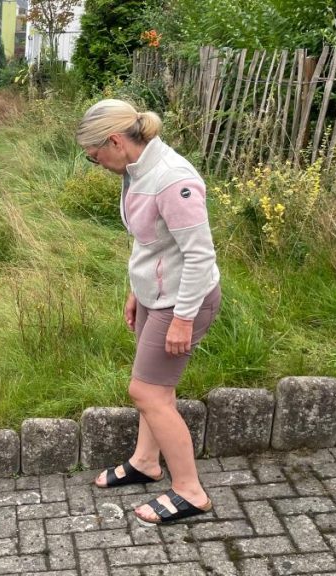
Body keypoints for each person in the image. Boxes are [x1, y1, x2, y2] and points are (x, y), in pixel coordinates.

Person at [77, 99, 222, 525]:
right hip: (156, 297)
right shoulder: (138, 170)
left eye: (94, 156)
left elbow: (199, 256)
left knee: (147, 393)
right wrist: (135, 290)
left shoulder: (171, 179)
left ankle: (190, 491)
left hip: (181, 302)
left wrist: (182, 317)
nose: (95, 163)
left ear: (116, 141)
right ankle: (145, 462)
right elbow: (152, 242)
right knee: (157, 390)